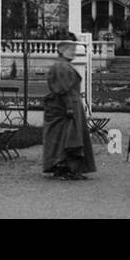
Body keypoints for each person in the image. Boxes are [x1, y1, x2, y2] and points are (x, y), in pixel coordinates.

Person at [41, 38, 97, 181]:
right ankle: (67, 168)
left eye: (74, 49)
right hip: (66, 106)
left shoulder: (63, 65)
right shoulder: (61, 67)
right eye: (69, 49)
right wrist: (69, 108)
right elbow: (63, 89)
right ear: (60, 50)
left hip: (69, 104)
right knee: (68, 137)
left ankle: (67, 168)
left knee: (67, 137)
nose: (73, 52)